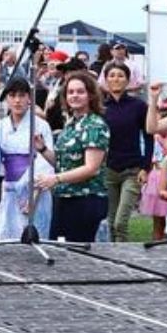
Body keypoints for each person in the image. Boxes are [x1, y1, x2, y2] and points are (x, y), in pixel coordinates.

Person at [0, 76, 54, 240]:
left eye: (22, 95)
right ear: (6, 99)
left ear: (29, 98)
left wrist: (33, 197)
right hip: (9, 189)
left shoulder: (40, 125)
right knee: (8, 237)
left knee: (34, 235)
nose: (17, 101)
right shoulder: (0, 126)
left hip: (34, 189)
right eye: (12, 96)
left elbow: (44, 165)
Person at [42, 70, 109, 242]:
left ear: (90, 95)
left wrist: (56, 179)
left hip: (85, 200)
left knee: (79, 255)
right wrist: (42, 149)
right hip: (64, 198)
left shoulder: (95, 124)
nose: (74, 96)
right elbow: (63, 162)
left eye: (80, 91)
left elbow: (91, 168)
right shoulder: (71, 123)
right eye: (70, 92)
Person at [95, 62, 149, 243]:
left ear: (127, 80)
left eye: (120, 75)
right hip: (108, 169)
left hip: (132, 170)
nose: (116, 79)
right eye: (111, 75)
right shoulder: (100, 108)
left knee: (120, 223)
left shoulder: (138, 106)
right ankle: (114, 261)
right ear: (105, 80)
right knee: (110, 222)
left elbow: (148, 136)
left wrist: (145, 167)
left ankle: (125, 257)